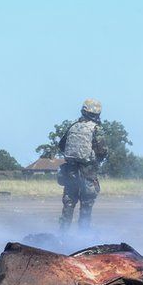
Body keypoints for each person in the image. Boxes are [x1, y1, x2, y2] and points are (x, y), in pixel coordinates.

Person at [57, 99, 107, 232]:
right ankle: (83, 235)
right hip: (88, 172)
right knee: (86, 205)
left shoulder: (73, 126)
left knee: (68, 204)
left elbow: (61, 145)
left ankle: (62, 235)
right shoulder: (96, 129)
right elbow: (102, 150)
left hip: (70, 171)